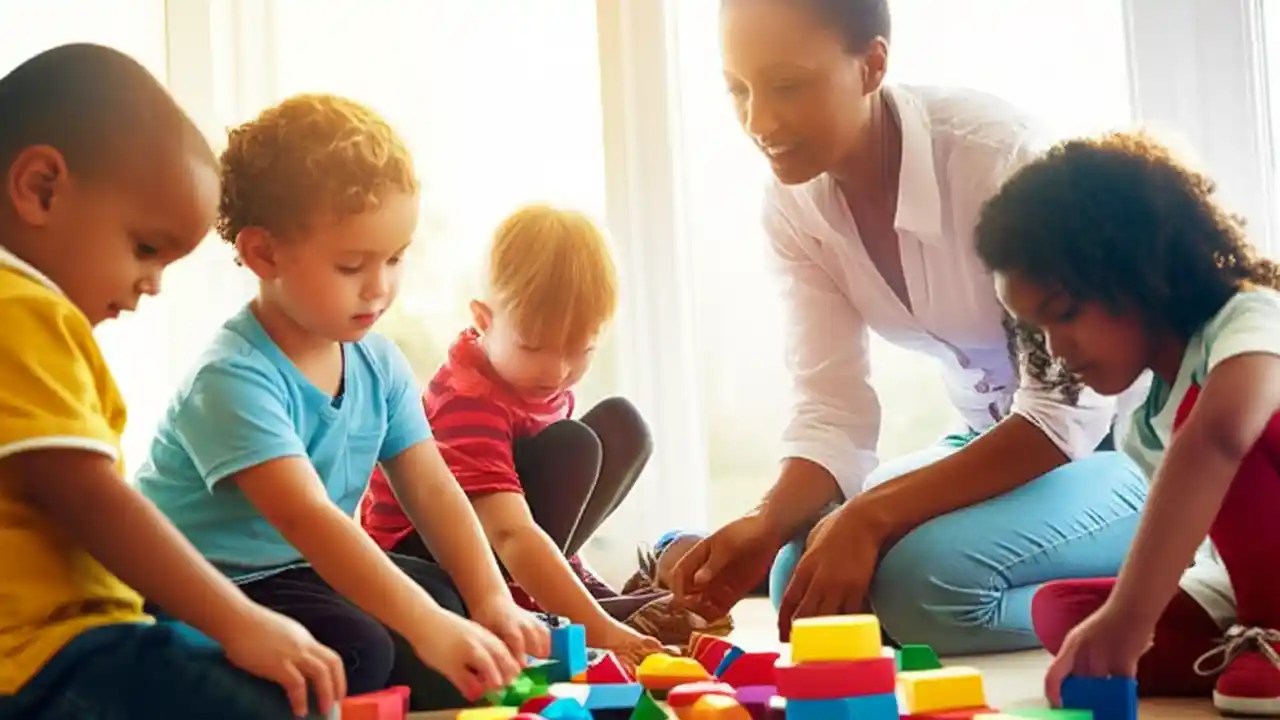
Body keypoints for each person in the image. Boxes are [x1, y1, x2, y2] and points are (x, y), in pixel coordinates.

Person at [670, 0, 1148, 655]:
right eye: (738, 89)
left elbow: (1067, 409)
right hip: (996, 439)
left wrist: (871, 514)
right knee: (801, 577)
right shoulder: (793, 206)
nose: (759, 120)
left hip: (1133, 446)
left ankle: (1174, 592)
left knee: (923, 589)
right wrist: (765, 521)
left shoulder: (999, 162)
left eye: (787, 85)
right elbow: (831, 411)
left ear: (871, 65)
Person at [135, 93, 547, 711]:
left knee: (448, 599)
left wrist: (490, 597)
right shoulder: (232, 379)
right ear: (264, 254)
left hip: (297, 571)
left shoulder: (378, 363)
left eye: (395, 259)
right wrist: (428, 630)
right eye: (352, 264)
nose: (380, 287)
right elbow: (311, 521)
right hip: (211, 583)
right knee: (362, 648)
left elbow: (432, 488)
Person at [0, 44, 345, 720]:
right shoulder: (20, 308)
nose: (151, 284)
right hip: (47, 659)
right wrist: (240, 620)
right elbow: (90, 497)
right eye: (144, 247)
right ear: (41, 188)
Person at [977, 132, 1280, 714]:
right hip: (1249, 586)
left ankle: (1268, 640)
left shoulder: (1251, 319)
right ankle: (1250, 643)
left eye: (1065, 314)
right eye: (1037, 329)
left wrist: (1129, 615)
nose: (1056, 347)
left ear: (1140, 268)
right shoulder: (1144, 424)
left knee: (1209, 419)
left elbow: (1222, 435)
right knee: (1064, 613)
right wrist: (1118, 624)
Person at [361, 204, 729, 653]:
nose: (557, 370)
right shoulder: (466, 400)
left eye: (580, 349)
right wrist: (601, 628)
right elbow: (509, 531)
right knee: (571, 447)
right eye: (534, 346)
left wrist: (599, 596)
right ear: (483, 319)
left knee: (622, 426)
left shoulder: (534, 381)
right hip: (427, 561)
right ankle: (554, 613)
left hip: (505, 542)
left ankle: (578, 605)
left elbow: (547, 522)